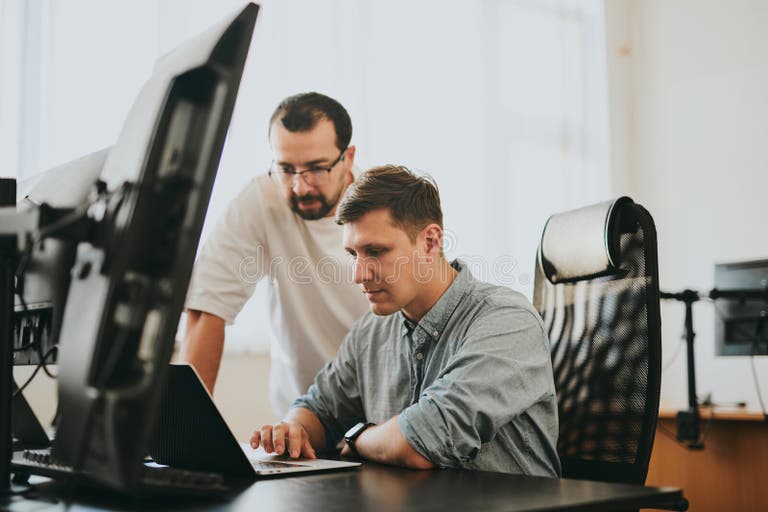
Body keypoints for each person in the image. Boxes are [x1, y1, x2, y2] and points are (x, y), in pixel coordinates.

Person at [250, 165, 561, 476]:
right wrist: (292, 430)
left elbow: (421, 441)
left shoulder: (506, 321)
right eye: (352, 255)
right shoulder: (371, 331)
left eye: (375, 251)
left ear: (430, 242)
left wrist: (357, 437)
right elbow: (319, 409)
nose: (359, 275)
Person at [182, 92, 368, 416]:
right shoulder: (262, 200)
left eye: (317, 168)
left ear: (348, 158)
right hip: (299, 419)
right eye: (286, 168)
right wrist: (187, 429)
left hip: (378, 414)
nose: (300, 186)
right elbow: (206, 308)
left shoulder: (382, 204)